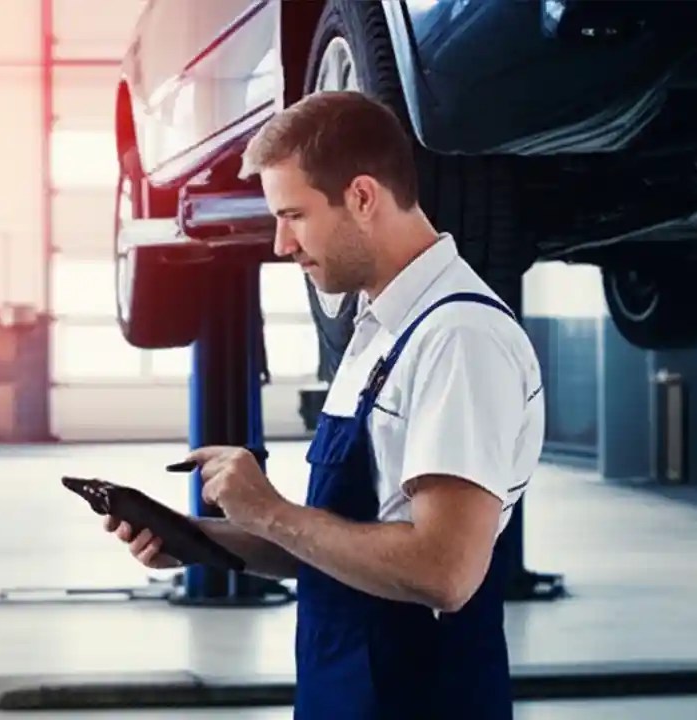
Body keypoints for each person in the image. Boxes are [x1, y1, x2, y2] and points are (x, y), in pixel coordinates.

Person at [104, 91, 545, 719]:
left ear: (363, 197)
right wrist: (200, 538)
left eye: (294, 215)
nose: (282, 244)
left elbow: (445, 570)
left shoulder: (458, 340)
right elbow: (344, 545)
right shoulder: (382, 330)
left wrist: (270, 509)